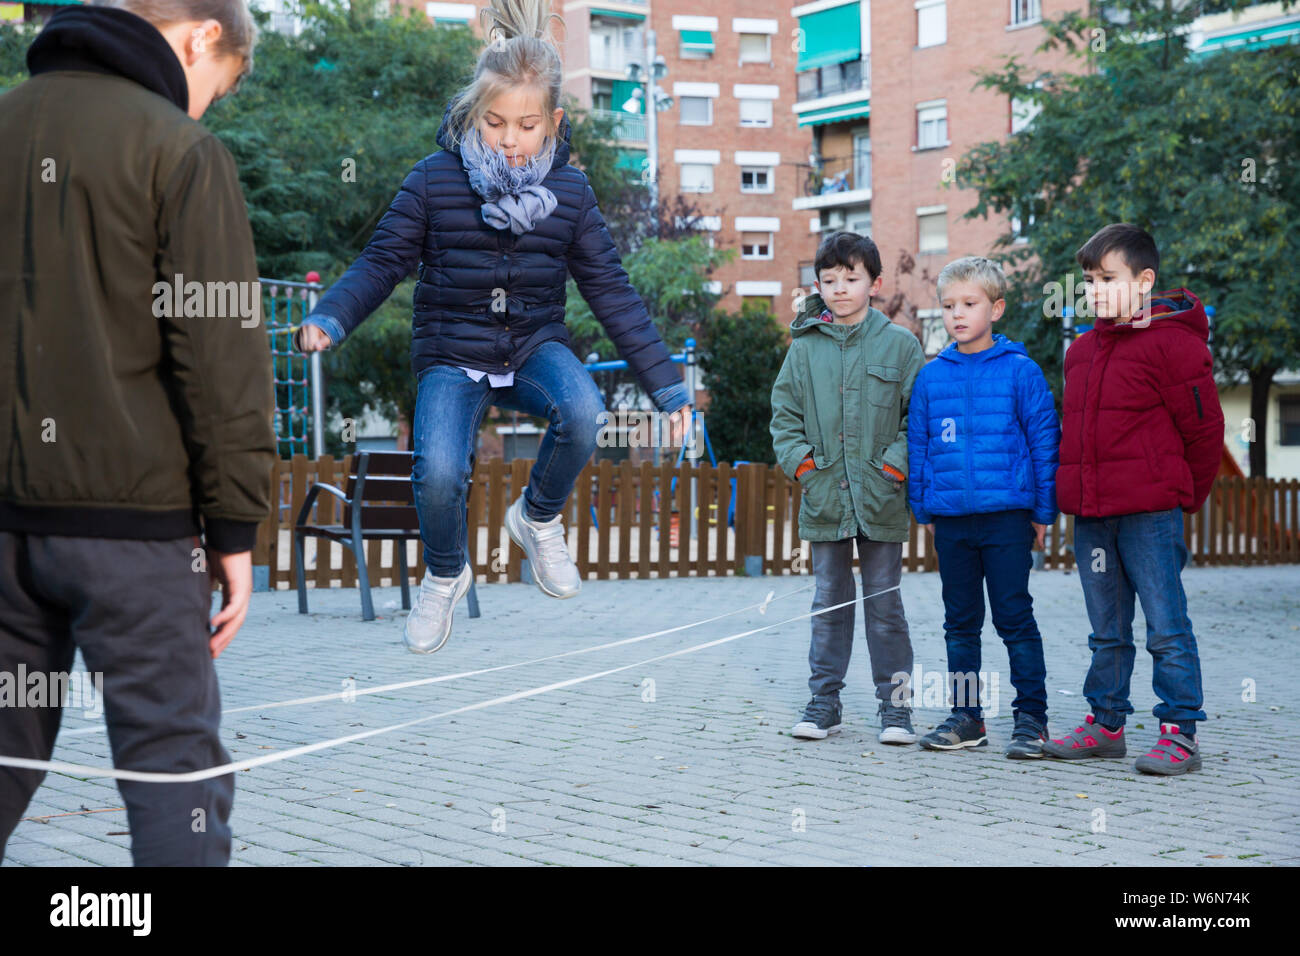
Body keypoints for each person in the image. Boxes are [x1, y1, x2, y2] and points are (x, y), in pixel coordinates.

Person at [296, 0, 691, 655]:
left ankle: (535, 518)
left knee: (585, 413)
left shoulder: (571, 194)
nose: (510, 139)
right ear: (473, 115)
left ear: (553, 123)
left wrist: (669, 388)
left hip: (534, 346)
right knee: (442, 471)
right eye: (495, 122)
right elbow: (383, 261)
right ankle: (445, 576)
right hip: (452, 351)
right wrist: (331, 316)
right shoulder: (433, 181)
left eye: (527, 125)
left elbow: (612, 293)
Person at [0, 0, 272, 865]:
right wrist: (234, 529)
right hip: (137, 532)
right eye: (215, 87)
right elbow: (217, 359)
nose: (203, 108)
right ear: (203, 37)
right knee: (172, 776)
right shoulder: (180, 152)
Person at [1044, 223, 1224, 775]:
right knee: (1107, 629)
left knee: (1166, 625)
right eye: (1089, 280)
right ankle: (1106, 723)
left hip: (1151, 515)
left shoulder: (1174, 345)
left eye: (1108, 278)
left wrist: (1179, 497)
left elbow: (1204, 432)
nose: (1095, 290)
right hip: (1094, 518)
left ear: (1144, 280)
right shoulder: (1081, 353)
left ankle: (1180, 731)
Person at [770, 231, 924, 745]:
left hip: (881, 497)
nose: (839, 288)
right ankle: (824, 703)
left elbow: (916, 421)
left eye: (851, 279)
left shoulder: (901, 346)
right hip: (825, 498)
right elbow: (784, 420)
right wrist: (807, 470)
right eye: (829, 280)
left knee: (886, 607)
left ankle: (896, 709)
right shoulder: (804, 349)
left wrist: (893, 469)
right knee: (829, 603)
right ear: (818, 284)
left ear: (874, 284)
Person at [907, 257, 1060, 758]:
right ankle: (966, 718)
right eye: (948, 306)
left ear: (995, 308)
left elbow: (1043, 441)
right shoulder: (932, 378)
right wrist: (924, 510)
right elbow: (920, 445)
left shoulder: (1021, 371)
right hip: (952, 519)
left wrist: (1042, 511)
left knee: (1014, 617)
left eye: (968, 304)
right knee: (960, 621)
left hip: (1007, 517)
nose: (957, 314)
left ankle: (1031, 719)